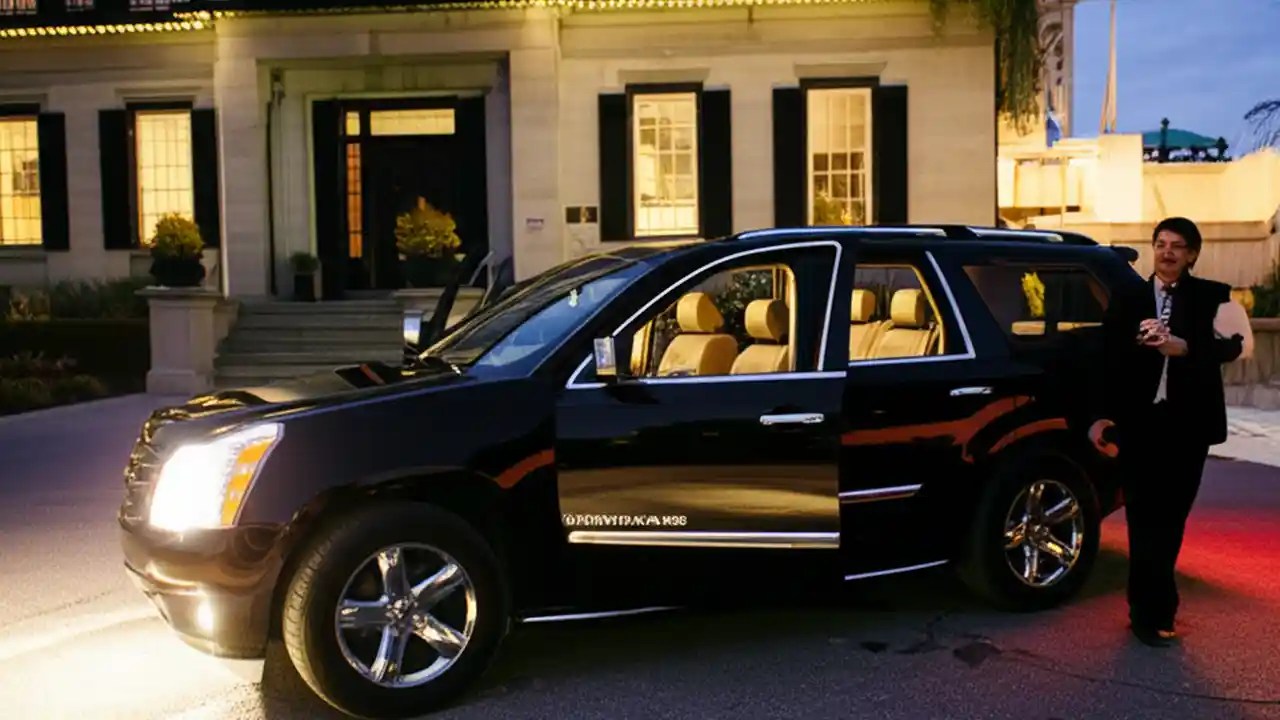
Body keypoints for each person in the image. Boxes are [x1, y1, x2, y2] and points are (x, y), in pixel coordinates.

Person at [1087, 216, 1248, 647]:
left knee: (1171, 520)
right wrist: (1100, 416)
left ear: (1192, 254)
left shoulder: (1212, 297)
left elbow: (1237, 346)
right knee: (1142, 519)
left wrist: (1187, 348)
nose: (1167, 252)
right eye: (1161, 243)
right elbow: (1107, 361)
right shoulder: (1127, 297)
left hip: (1187, 427)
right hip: (1139, 426)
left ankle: (1158, 607)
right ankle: (1147, 612)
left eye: (1177, 245)